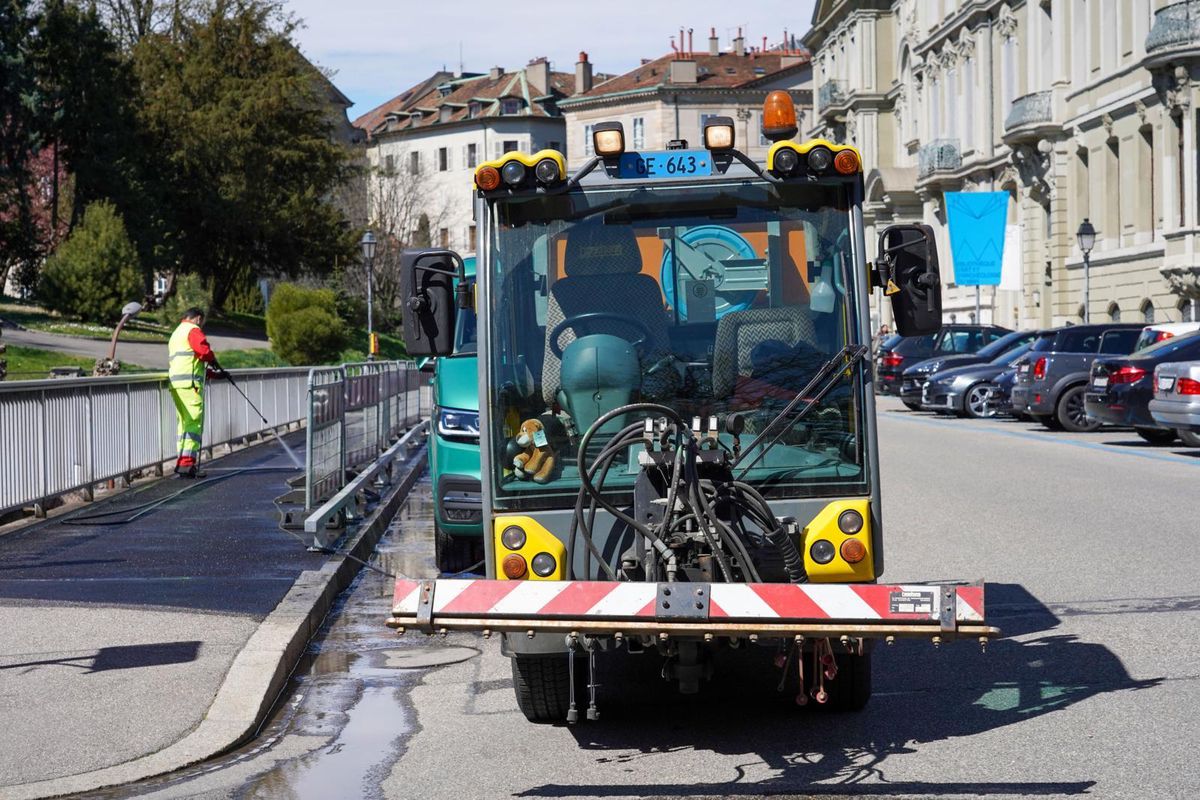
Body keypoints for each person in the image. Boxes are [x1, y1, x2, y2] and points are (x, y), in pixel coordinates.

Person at [167, 307, 225, 477]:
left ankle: (182, 461)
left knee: (183, 425)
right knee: (194, 423)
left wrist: (213, 374)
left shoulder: (176, 333)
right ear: (198, 318)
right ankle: (187, 464)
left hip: (177, 385)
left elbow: (189, 362)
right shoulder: (193, 330)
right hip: (190, 386)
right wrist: (212, 359)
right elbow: (203, 351)